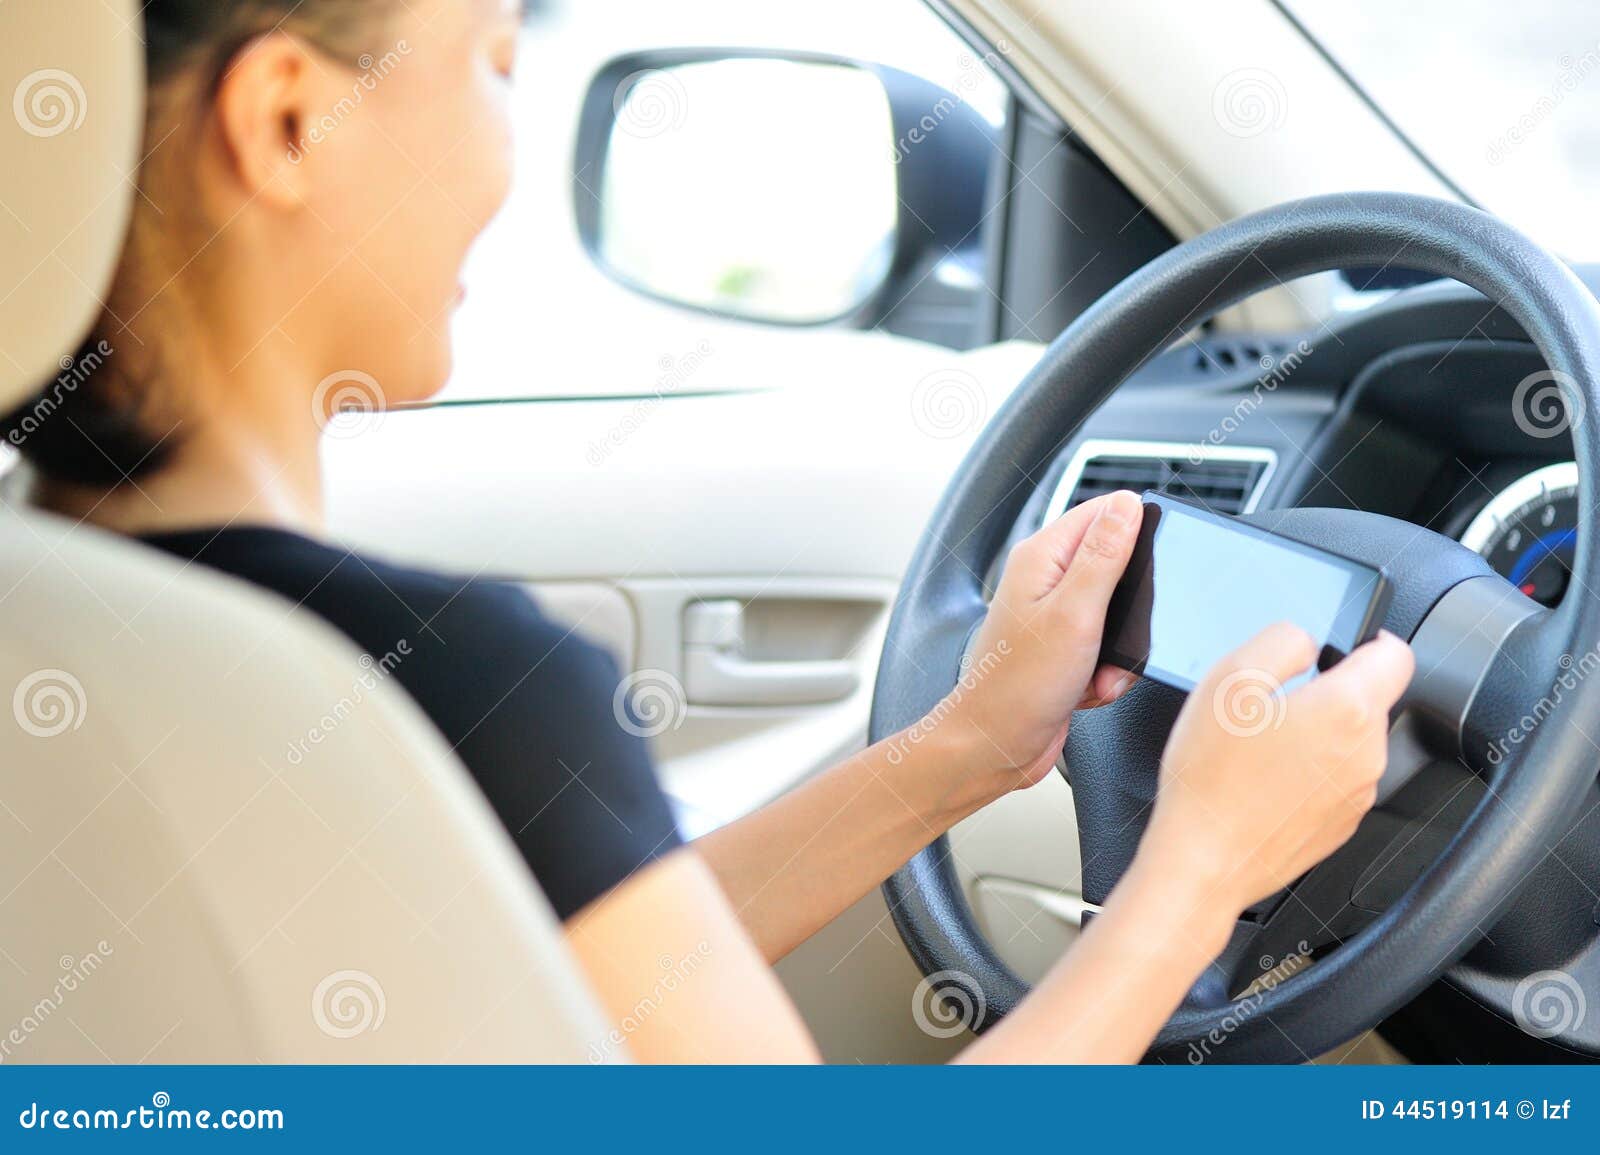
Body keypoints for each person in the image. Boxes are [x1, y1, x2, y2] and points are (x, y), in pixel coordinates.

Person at [0, 0, 1414, 1062]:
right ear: (289, 120)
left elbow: (562, 964)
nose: (508, 154)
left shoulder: (72, 619)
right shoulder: (454, 680)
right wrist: (1204, 871)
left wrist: (962, 754)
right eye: (493, 69)